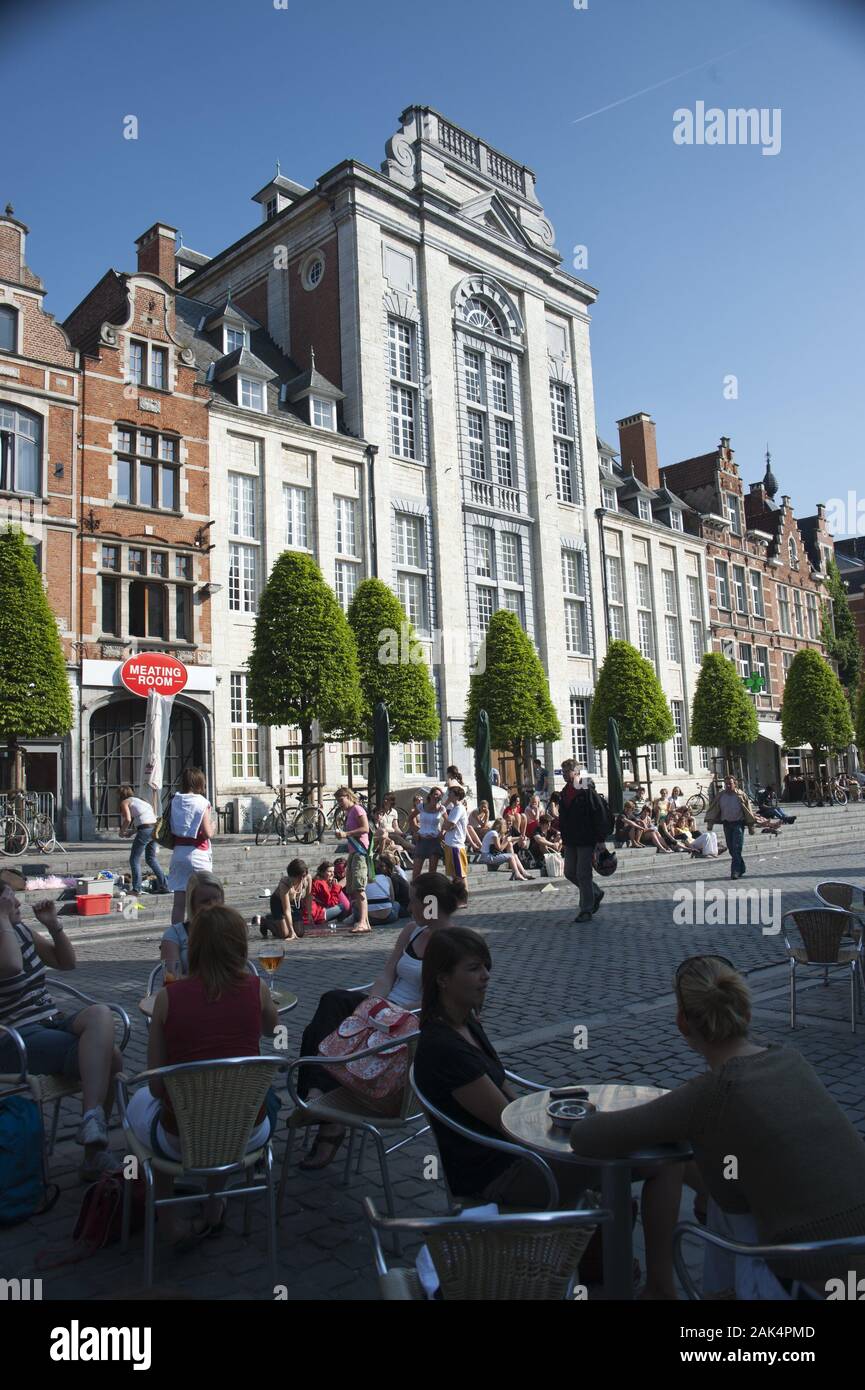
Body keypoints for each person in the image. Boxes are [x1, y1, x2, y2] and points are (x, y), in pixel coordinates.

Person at [569, 955, 865, 1297]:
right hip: (852, 1257)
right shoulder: (789, 1058)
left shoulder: (711, 1094)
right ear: (747, 1013)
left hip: (811, 1276)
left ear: (682, 1022)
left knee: (724, 1210)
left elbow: (587, 1137)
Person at [414, 928, 682, 1296]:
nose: (486, 976)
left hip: (515, 1157)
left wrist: (573, 1122)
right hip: (498, 1174)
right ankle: (658, 1285)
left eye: (486, 967)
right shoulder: (442, 1045)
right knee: (660, 1161)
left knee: (649, 1151)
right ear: (443, 978)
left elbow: (508, 1095)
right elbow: (508, 1122)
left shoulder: (465, 1023)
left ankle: (633, 1272)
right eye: (474, 968)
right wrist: (579, 1133)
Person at [125, 905, 278, 1244]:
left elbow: (155, 1083)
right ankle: (214, 1205)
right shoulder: (256, 989)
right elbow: (272, 1030)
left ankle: (168, 1218)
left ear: (193, 947)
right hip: (247, 1132)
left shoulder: (167, 998)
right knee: (252, 1100)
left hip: (181, 1138)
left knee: (139, 1106)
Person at [295, 873, 465, 1169]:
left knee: (334, 1033)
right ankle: (317, 1096)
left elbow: (436, 1002)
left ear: (429, 904)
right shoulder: (412, 930)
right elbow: (387, 974)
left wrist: (389, 1012)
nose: (408, 905)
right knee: (332, 1001)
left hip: (409, 1022)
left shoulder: (451, 944)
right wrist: (374, 1003)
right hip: (384, 1008)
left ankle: (323, 1114)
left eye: (412, 900)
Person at [0, 879, 123, 1182]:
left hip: (50, 1022)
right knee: (114, 1058)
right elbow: (13, 967)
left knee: (100, 1013)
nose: (17, 904)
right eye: (8, 901)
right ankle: (93, 1155)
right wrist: (2, 920)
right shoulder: (6, 935)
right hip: (17, 1039)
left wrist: (54, 925)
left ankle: (91, 1119)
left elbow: (66, 962)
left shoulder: (22, 930)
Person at [558, 758, 610, 922]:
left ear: (577, 772)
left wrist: (600, 840)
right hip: (570, 839)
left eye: (568, 771)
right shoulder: (564, 792)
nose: (565, 774)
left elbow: (599, 814)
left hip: (586, 838)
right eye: (564, 771)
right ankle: (595, 892)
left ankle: (586, 909)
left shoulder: (586, 789)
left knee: (583, 874)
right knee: (569, 873)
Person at [167, 767, 217, 925]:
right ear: (199, 783)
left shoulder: (174, 800)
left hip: (178, 853)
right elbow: (207, 832)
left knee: (179, 902)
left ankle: (176, 933)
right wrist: (214, 826)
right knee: (205, 897)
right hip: (198, 853)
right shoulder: (202, 802)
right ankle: (201, 930)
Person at [161, 871, 224, 973]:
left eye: (217, 899)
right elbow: (171, 977)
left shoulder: (231, 929)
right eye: (205, 901)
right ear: (192, 904)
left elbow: (239, 973)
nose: (213, 905)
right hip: (188, 988)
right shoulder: (175, 934)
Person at [118, 784, 169, 896]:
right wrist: (132, 832)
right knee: (151, 859)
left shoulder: (125, 802)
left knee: (134, 859)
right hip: (154, 829)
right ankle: (164, 885)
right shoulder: (141, 801)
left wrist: (122, 831)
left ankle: (136, 889)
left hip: (145, 831)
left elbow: (127, 819)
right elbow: (145, 820)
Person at [336, 787, 372, 935]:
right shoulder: (349, 812)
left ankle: (363, 922)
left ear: (348, 796)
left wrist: (346, 834)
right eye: (337, 801)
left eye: (341, 800)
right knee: (354, 889)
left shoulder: (357, 809)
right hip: (353, 852)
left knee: (359, 888)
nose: (339, 803)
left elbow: (366, 828)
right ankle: (366, 922)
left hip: (360, 852)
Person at [705, 775, 755, 881]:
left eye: (730, 783)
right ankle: (741, 867)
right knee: (731, 849)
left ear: (735, 784)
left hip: (738, 824)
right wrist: (710, 823)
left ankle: (735, 871)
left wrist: (751, 826)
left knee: (737, 848)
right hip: (726, 824)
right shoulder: (720, 796)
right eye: (726, 783)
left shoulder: (741, 795)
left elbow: (749, 811)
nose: (727, 785)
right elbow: (713, 809)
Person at [442, 784, 469, 897]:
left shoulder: (459, 808)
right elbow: (447, 825)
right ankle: (458, 896)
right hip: (450, 844)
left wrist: (445, 824)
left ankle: (464, 897)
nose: (448, 795)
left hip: (456, 845)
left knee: (460, 874)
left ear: (457, 796)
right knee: (453, 874)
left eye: (451, 793)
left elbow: (449, 825)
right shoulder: (454, 808)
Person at [412, 787, 444, 880]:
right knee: (416, 872)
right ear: (430, 795)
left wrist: (442, 833)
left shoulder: (441, 808)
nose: (437, 796)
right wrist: (415, 831)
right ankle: (414, 891)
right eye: (436, 794)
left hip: (434, 841)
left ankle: (430, 891)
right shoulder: (421, 806)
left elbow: (448, 822)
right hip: (422, 840)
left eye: (439, 795)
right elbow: (410, 818)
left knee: (432, 873)